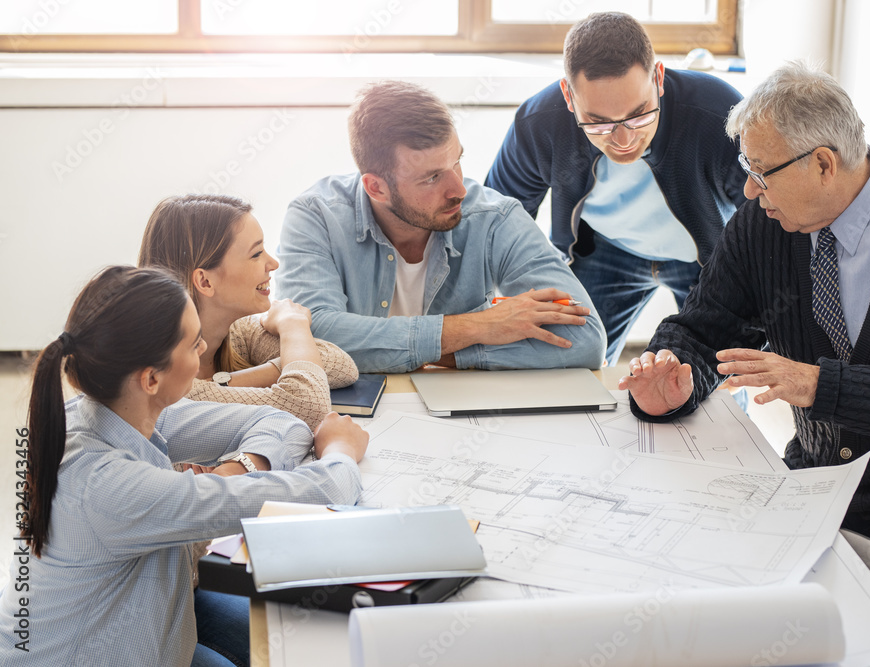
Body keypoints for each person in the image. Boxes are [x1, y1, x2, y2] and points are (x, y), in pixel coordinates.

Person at [621, 62, 870, 661]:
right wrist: (676, 379)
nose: (747, 190)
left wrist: (819, 384)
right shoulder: (765, 224)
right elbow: (703, 329)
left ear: (824, 163)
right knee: (712, 593)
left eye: (759, 172)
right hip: (823, 477)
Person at [0, 266, 368, 667]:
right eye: (194, 345)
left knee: (293, 636)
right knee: (295, 641)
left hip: (134, 610)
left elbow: (283, 423)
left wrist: (235, 470)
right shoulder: (108, 485)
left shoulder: (124, 410)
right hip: (86, 651)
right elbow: (320, 494)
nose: (204, 349)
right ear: (151, 378)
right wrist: (339, 450)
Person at [277, 81, 606, 374]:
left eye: (457, 162)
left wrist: (439, 355)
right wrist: (476, 327)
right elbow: (310, 338)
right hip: (349, 418)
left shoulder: (495, 217)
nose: (459, 190)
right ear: (376, 188)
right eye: (432, 177)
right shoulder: (315, 216)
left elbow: (584, 339)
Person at [485, 11, 746, 365]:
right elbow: (499, 222)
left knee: (719, 380)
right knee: (571, 366)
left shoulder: (719, 114)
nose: (623, 140)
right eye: (598, 123)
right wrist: (509, 305)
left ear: (659, 78)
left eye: (639, 115)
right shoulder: (539, 125)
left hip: (706, 258)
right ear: (568, 95)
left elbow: (766, 221)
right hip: (604, 251)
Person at [139, 194, 358, 431]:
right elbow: (310, 407)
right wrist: (293, 324)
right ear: (205, 281)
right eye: (256, 254)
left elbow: (342, 366)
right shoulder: (167, 384)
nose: (273, 263)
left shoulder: (237, 333)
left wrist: (222, 383)